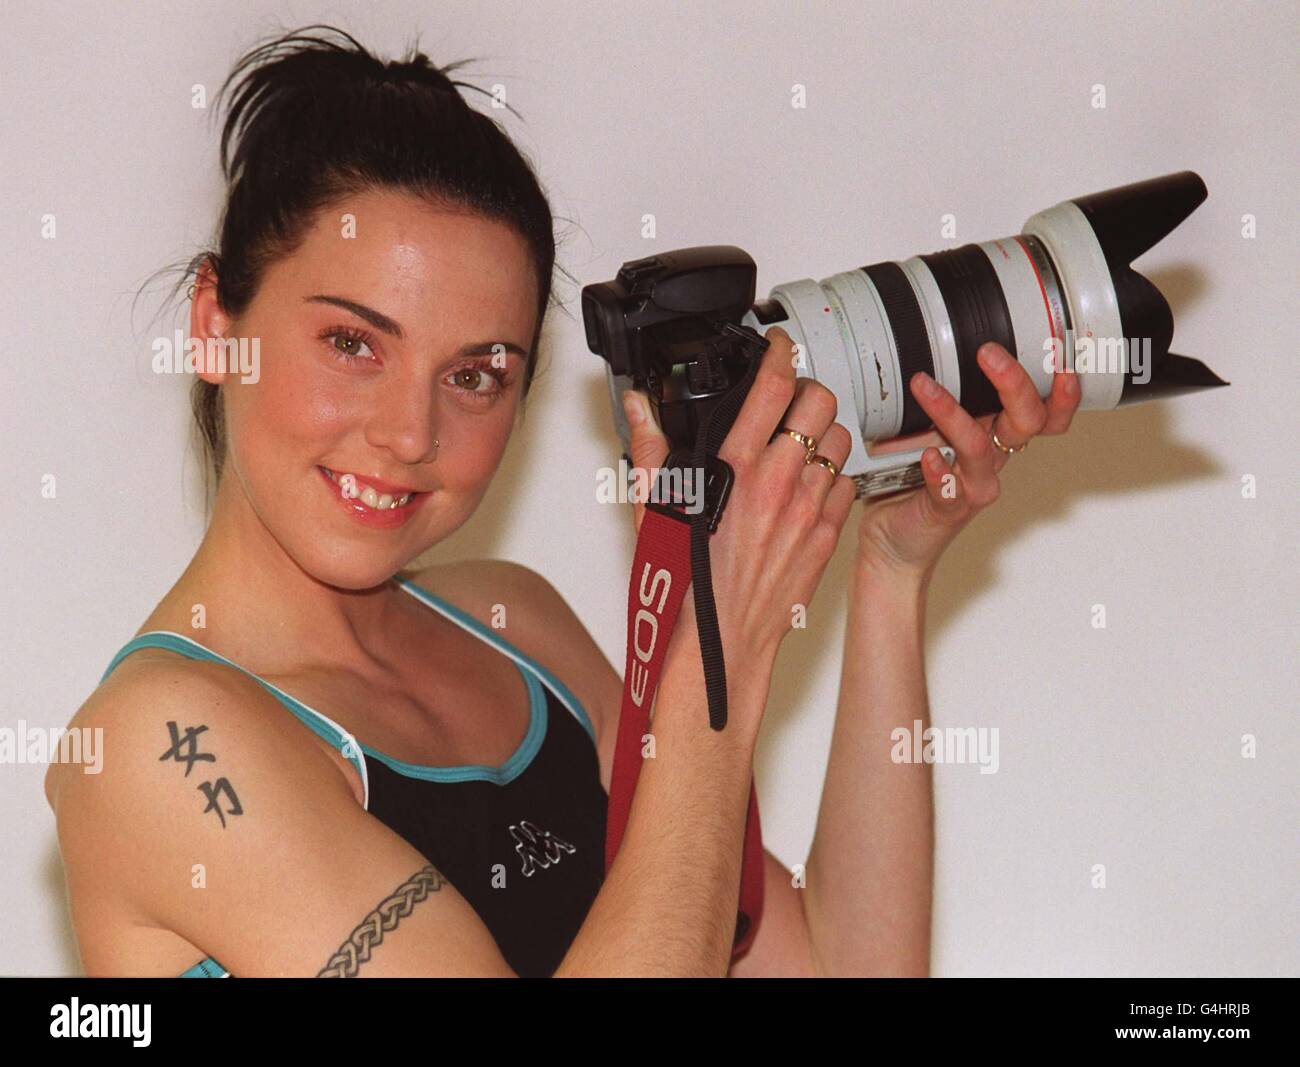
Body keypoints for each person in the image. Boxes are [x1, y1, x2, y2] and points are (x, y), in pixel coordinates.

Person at [45, 24, 1081, 978]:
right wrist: (713, 657)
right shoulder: (158, 744)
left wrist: (891, 567)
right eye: (352, 343)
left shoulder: (517, 627)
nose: (411, 434)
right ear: (216, 325)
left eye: (475, 373)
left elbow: (840, 970)